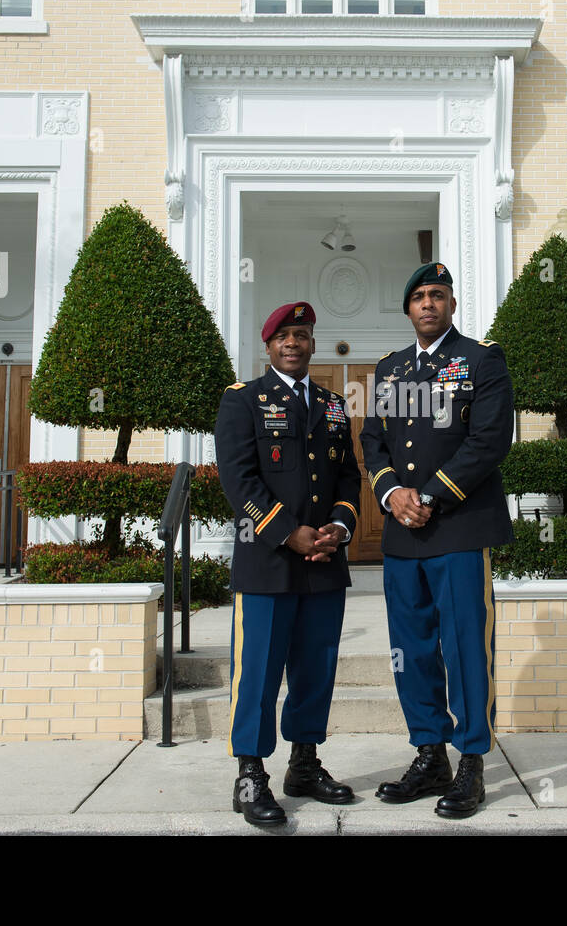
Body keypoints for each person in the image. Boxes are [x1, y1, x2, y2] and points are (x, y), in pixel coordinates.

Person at [359, 262, 515, 819]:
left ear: (452, 305)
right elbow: (371, 440)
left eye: (438, 295)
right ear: (408, 309)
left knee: (465, 643)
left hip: (459, 526)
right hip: (402, 535)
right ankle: (430, 754)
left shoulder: (480, 360)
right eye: (420, 296)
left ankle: (471, 760)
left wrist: (428, 496)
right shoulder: (390, 369)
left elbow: (490, 440)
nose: (428, 303)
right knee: (412, 649)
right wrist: (391, 495)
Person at [214, 301, 362, 827]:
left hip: (324, 562)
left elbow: (348, 477)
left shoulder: (332, 404)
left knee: (314, 669)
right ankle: (250, 773)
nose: (293, 343)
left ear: (313, 343)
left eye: (302, 334)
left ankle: (304, 763)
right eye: (284, 336)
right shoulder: (243, 401)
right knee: (257, 673)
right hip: (267, 563)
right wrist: (287, 533)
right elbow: (238, 479)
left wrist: (339, 529)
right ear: (268, 346)